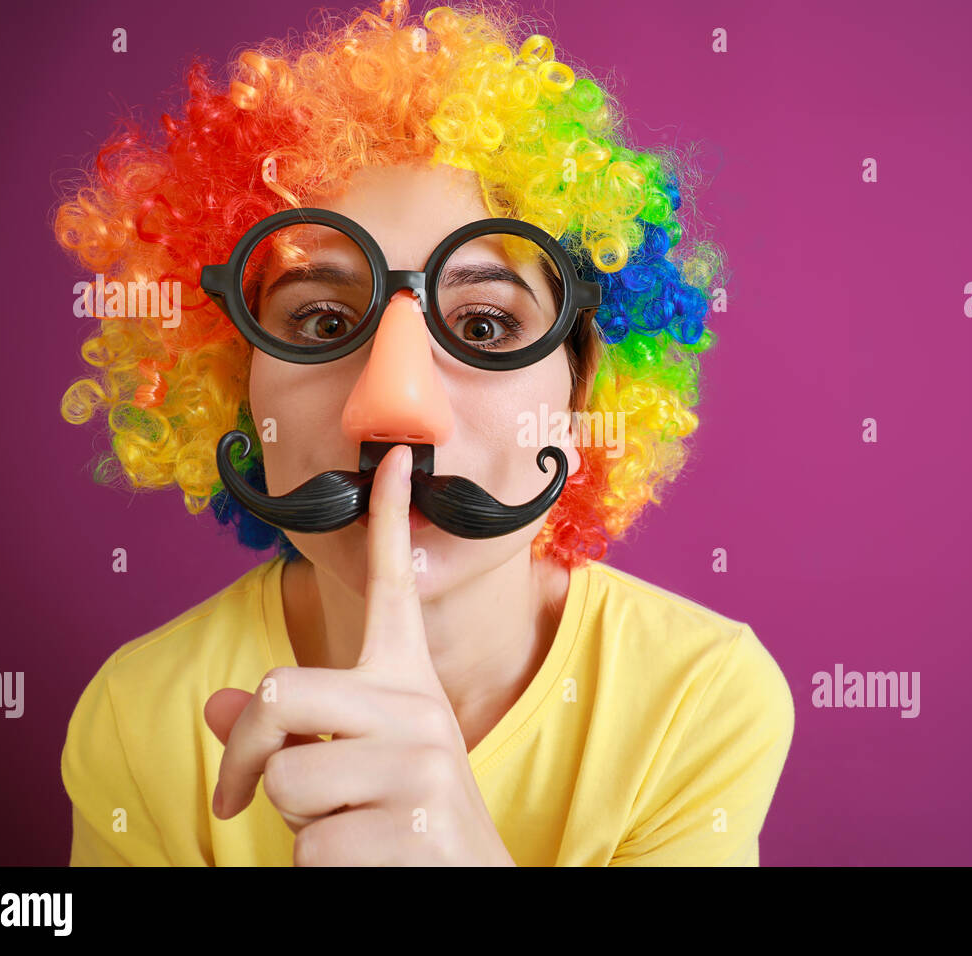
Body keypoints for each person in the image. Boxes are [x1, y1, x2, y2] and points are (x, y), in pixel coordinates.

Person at [56, 0, 794, 866]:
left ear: (584, 388)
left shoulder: (697, 698)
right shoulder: (140, 714)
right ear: (229, 382)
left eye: (484, 327)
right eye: (324, 324)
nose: (393, 410)